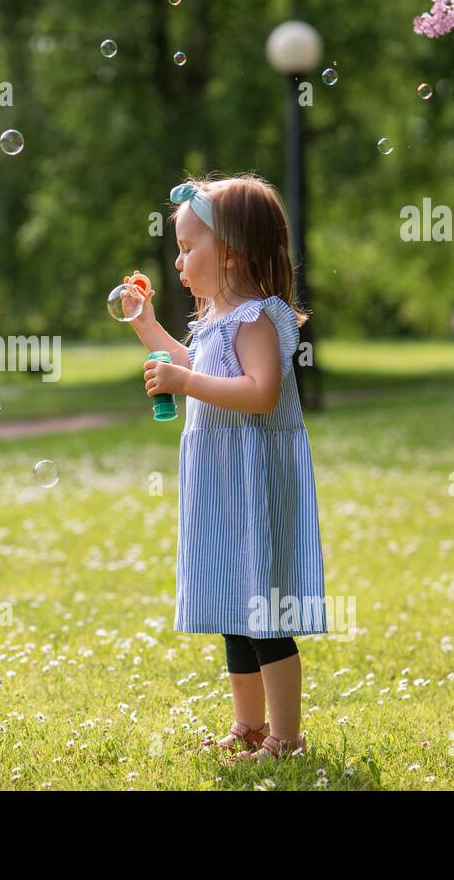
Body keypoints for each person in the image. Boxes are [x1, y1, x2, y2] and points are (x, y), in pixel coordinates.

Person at [127, 172, 327, 763]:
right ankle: (251, 725)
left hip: (254, 482)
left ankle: (287, 736)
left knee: (264, 609)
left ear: (232, 254)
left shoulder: (260, 317)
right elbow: (199, 365)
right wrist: (146, 327)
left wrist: (184, 381)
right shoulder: (217, 319)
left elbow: (260, 391)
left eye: (190, 248)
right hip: (219, 484)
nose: (179, 259)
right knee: (230, 606)